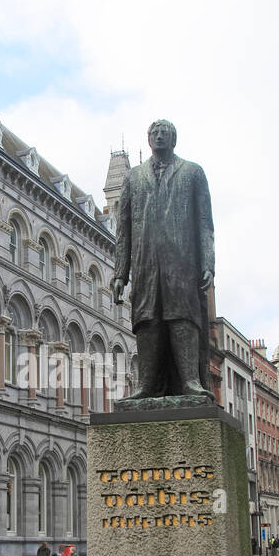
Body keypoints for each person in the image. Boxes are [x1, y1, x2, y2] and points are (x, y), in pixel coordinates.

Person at [110, 119, 215, 402]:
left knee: (182, 316)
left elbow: (205, 223)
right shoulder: (133, 177)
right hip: (145, 262)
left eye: (164, 133)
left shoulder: (192, 173)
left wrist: (208, 264)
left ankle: (190, 381)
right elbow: (124, 229)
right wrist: (121, 273)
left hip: (182, 262)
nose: (159, 137)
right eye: (154, 133)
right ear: (148, 139)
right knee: (147, 319)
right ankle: (146, 385)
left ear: (174, 140)